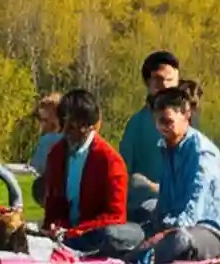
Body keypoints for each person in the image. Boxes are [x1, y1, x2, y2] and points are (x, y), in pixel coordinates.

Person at [126, 85, 220, 263]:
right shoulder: (166, 147)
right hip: (173, 225)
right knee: (126, 232)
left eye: (168, 122)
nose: (163, 128)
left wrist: (165, 231)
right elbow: (164, 203)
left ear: (187, 115)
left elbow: (194, 207)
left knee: (179, 240)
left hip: (209, 230)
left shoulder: (201, 152)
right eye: (159, 122)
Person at [43, 89, 145, 257]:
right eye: (66, 124)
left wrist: (76, 232)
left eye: (75, 125)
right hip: (61, 240)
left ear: (90, 125)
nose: (68, 131)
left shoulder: (111, 161)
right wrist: (56, 226)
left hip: (95, 243)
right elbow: (54, 205)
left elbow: (115, 216)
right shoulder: (56, 153)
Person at [119, 51, 181, 223]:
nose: (165, 86)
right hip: (145, 205)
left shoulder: (189, 123)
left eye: (170, 81)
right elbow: (123, 173)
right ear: (148, 82)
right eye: (159, 80)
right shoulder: (136, 124)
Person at [30, 93, 63, 206]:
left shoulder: (47, 140)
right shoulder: (74, 139)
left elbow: (38, 167)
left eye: (44, 120)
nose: (41, 124)